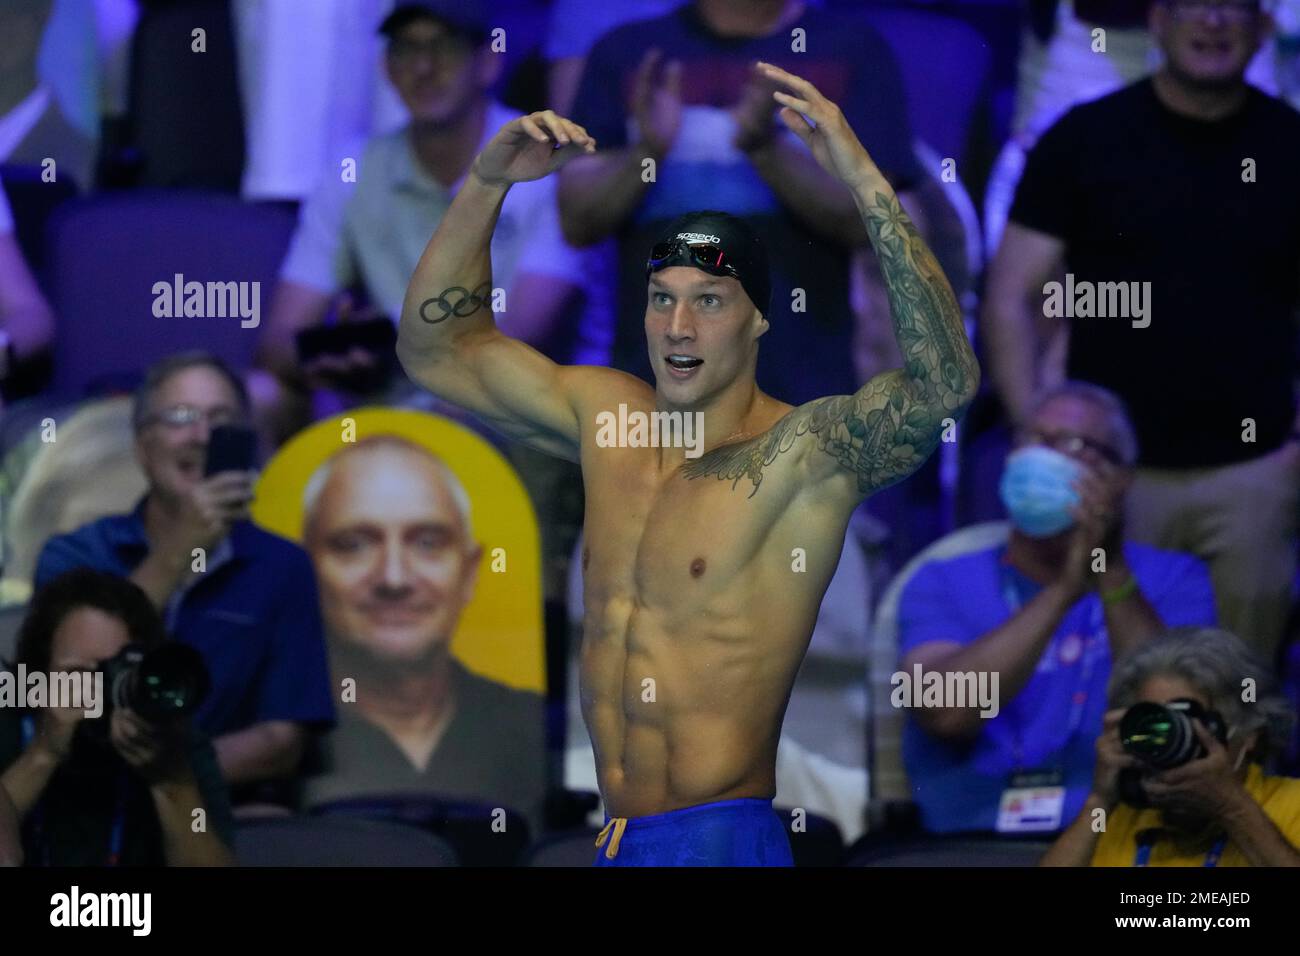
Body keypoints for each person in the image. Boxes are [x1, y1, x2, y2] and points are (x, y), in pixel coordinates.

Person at [395, 64, 980, 865]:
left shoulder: (804, 455)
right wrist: (487, 184)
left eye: (709, 300)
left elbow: (945, 384)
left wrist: (863, 180)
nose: (677, 325)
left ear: (759, 321)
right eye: (661, 296)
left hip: (719, 838)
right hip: (614, 835)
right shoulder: (608, 419)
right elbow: (438, 350)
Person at [983, 0, 1300, 657]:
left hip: (1256, 477)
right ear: (1157, 19)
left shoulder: (1291, 146)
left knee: (1240, 703)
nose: (1213, 22)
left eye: (1233, 7)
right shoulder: (1084, 137)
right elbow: (1011, 293)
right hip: (1111, 480)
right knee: (1110, 695)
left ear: (1263, 27)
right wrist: (1033, 431)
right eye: (1194, 4)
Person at [558, 0, 923, 408]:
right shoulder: (628, 52)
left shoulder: (850, 48)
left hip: (805, 395)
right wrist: (648, 151)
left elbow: (871, 222)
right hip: (655, 392)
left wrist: (765, 148)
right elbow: (576, 220)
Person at [899, 382, 1218, 834]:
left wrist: (1108, 571)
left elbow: (1172, 723)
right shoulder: (940, 577)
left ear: (1121, 478)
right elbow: (947, 713)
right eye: (1030, 438)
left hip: (1123, 841)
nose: (1040, 456)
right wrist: (1063, 593)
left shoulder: (1176, 579)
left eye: (1071, 444)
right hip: (972, 845)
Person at [33, 353, 335, 795]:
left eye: (221, 418)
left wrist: (164, 781)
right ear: (142, 446)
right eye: (179, 417)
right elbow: (70, 696)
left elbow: (280, 743)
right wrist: (178, 551)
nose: (201, 436)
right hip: (89, 804)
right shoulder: (74, 556)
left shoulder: (282, 566)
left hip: (226, 808)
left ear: (246, 442)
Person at [298, 436, 546, 828]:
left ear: (470, 571)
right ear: (304, 568)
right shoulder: (278, 734)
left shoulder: (534, 724)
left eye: (428, 543)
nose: (393, 578)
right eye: (354, 545)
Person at [0, 569, 235, 866]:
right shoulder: (8, 725)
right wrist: (43, 754)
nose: (98, 689)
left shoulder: (174, 742)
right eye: (78, 674)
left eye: (114, 671)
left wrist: (172, 783)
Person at [1043, 627, 1300, 866]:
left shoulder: (1292, 804)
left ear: (1249, 733)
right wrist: (1098, 801)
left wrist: (1231, 807)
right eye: (1155, 724)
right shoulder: (1116, 819)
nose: (1167, 738)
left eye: (1188, 722)